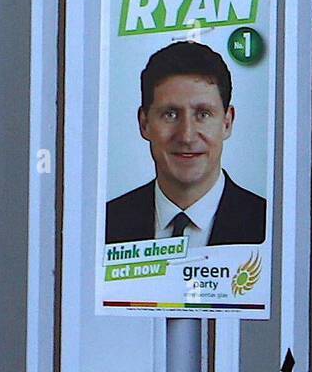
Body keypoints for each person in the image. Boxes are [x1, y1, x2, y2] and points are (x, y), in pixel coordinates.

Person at [105, 41, 267, 247]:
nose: (186, 136)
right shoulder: (104, 224)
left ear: (227, 122)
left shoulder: (268, 224)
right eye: (170, 114)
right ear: (144, 123)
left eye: (203, 114)